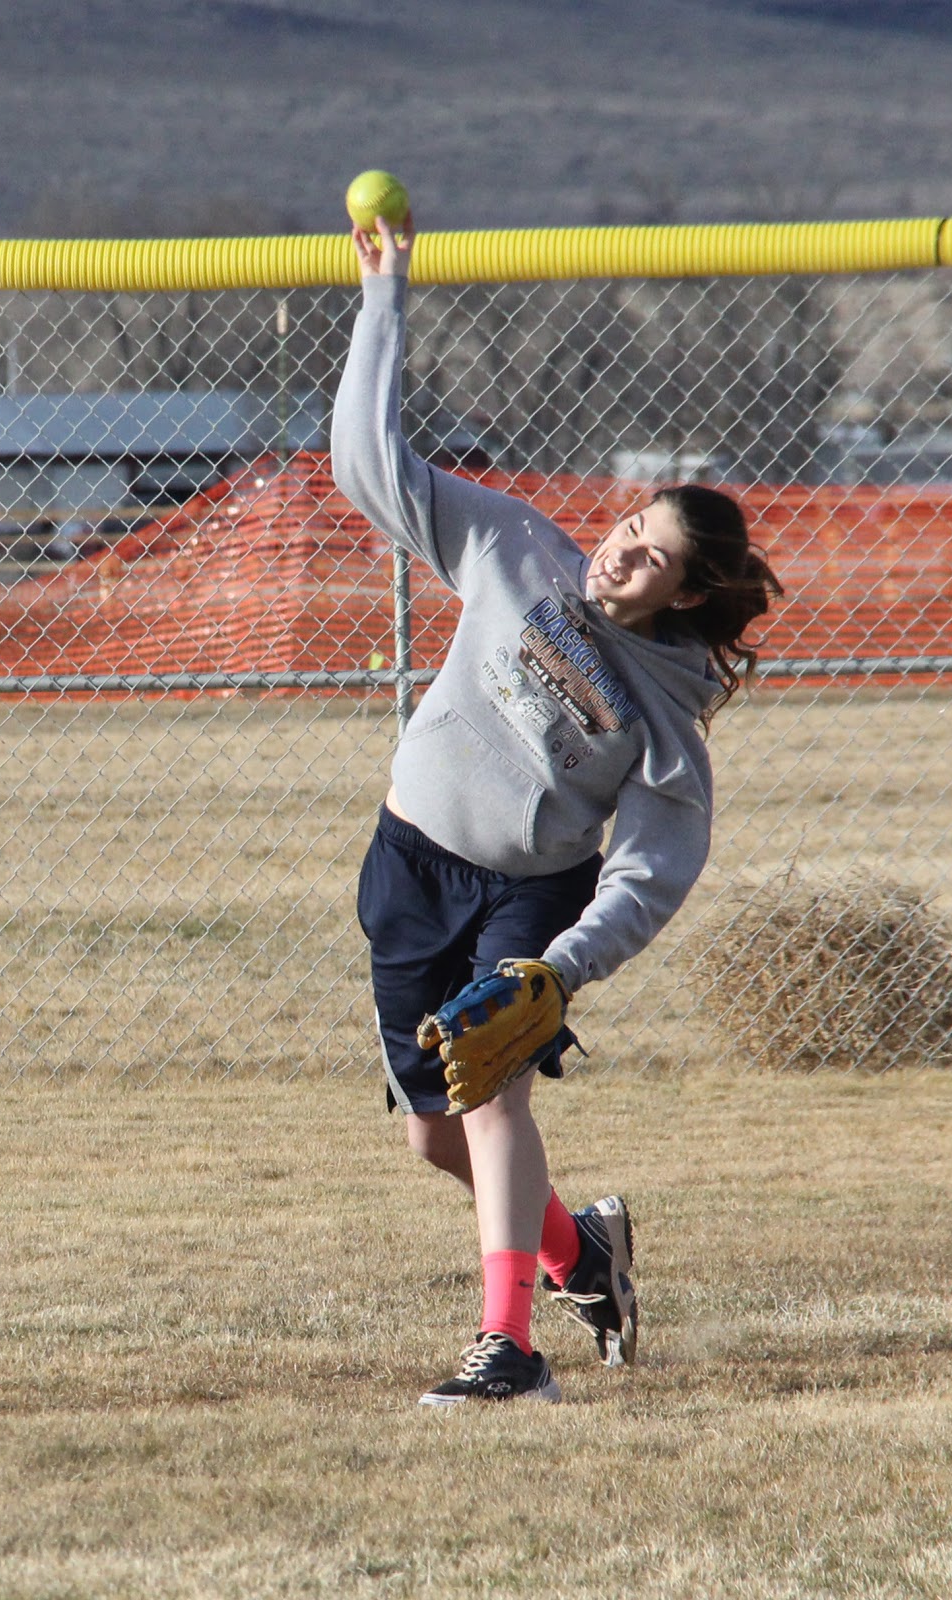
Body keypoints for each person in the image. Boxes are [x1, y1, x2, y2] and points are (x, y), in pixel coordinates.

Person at [331, 208, 782, 1407]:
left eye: (653, 559)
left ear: (686, 596)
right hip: (409, 864)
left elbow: (652, 867)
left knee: (490, 1085)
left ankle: (509, 1351)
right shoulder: (516, 548)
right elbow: (368, 465)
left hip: (528, 890)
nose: (621, 556)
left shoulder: (663, 708)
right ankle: (585, 1255)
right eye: (630, 530)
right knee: (433, 1136)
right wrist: (384, 299)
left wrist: (559, 973)